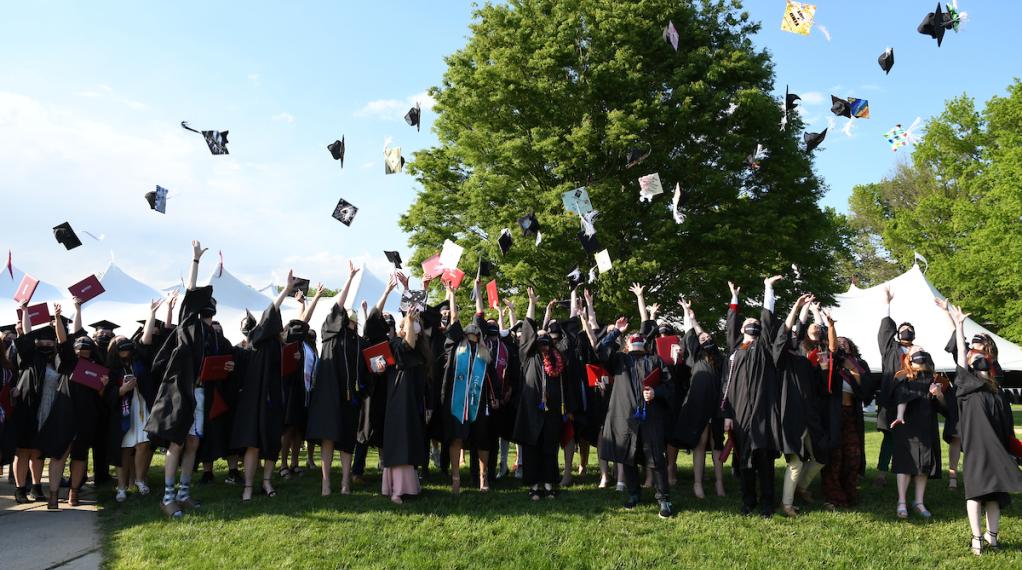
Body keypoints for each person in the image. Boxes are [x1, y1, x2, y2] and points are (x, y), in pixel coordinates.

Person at [145, 241, 236, 518]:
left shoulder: (215, 336)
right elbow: (190, 293)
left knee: (194, 443)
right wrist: (195, 261)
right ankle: (167, 497)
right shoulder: (188, 325)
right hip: (179, 393)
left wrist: (226, 366)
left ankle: (184, 494)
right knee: (177, 443)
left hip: (200, 394)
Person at [583, 289, 674, 518]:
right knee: (628, 456)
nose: (635, 340)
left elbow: (669, 386)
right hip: (625, 416)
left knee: (655, 459)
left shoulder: (655, 361)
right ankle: (634, 494)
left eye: (638, 338)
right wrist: (615, 331)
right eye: (631, 338)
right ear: (626, 344)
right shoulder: (619, 361)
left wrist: (656, 392)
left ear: (645, 343)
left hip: (650, 417)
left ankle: (664, 499)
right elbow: (600, 351)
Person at [946, 302, 1022, 555]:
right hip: (977, 449)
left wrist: (1013, 450)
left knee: (994, 496)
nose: (975, 357)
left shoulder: (997, 392)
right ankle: (977, 538)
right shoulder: (965, 385)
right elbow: (959, 352)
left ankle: (993, 538)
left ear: (988, 362)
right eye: (972, 357)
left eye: (980, 357)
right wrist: (957, 325)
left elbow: (1007, 427)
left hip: (997, 449)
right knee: (975, 494)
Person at [231, 271, 302, 501]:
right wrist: (286, 289)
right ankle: (249, 486)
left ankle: (267, 482)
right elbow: (269, 313)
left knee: (271, 442)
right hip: (255, 400)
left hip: (274, 399)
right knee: (253, 443)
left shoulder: (279, 347)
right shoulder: (257, 341)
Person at [721, 276, 784, 518]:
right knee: (744, 460)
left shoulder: (764, 347)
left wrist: (768, 289)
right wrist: (726, 415)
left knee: (765, 461)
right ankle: (749, 501)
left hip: (763, 413)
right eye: (748, 322)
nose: (753, 324)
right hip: (739, 414)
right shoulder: (735, 352)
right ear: (741, 329)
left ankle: (768, 503)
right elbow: (725, 386)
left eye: (755, 322)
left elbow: (768, 320)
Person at [305, 261, 365, 496]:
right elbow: (338, 305)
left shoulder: (357, 341)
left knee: (347, 439)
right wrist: (349, 279)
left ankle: (345, 483)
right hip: (328, 392)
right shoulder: (329, 333)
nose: (346, 320)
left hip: (349, 394)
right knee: (328, 436)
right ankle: (326, 482)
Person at [13, 304, 81, 510]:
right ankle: (19, 488)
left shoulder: (59, 361)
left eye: (49, 340)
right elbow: (26, 334)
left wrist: (59, 320)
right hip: (30, 409)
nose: (45, 342)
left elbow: (64, 342)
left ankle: (36, 486)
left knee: (39, 452)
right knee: (24, 450)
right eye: (41, 339)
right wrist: (25, 311)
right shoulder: (30, 358)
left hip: (53, 409)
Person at [515, 287, 572, 500]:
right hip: (532, 410)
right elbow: (529, 329)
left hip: (553, 411)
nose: (542, 340)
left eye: (545, 337)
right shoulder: (527, 356)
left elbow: (570, 335)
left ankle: (549, 484)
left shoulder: (558, 358)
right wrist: (532, 304)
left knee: (550, 447)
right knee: (532, 448)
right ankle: (534, 486)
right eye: (538, 338)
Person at [440, 280, 496, 494]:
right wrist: (451, 294)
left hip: (479, 403)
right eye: (469, 330)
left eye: (476, 331)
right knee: (456, 438)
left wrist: (479, 291)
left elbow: (480, 314)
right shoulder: (455, 346)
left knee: (482, 441)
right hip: (456, 402)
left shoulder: (483, 352)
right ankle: (456, 479)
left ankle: (483, 479)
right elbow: (453, 318)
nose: (473, 330)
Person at [107, 299, 164, 502]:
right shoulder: (111, 370)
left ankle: (140, 480)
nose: (127, 350)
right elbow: (106, 395)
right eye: (122, 347)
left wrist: (152, 313)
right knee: (125, 448)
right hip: (123, 411)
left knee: (143, 445)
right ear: (115, 349)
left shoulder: (138, 360)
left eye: (128, 347)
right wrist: (121, 390)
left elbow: (146, 339)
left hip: (141, 407)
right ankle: (121, 487)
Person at [775, 293, 827, 518]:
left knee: (821, 456)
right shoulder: (783, 358)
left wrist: (807, 308)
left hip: (811, 414)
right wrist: (797, 305)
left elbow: (804, 326)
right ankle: (787, 504)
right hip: (792, 415)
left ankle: (802, 488)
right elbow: (791, 327)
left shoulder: (807, 358)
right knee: (795, 462)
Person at [673, 298, 726, 499]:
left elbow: (702, 335)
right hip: (698, 404)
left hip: (717, 405)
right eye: (700, 337)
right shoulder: (694, 356)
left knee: (717, 444)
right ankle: (698, 484)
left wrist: (697, 323)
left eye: (706, 336)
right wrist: (688, 313)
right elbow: (690, 332)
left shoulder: (719, 359)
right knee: (700, 443)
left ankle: (719, 484)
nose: (703, 338)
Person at [818, 330, 873, 509]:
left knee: (853, 456)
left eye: (845, 342)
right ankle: (833, 496)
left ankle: (850, 492)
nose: (842, 344)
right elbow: (823, 387)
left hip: (852, 415)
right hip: (833, 415)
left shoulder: (859, 364)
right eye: (838, 342)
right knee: (835, 456)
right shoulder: (829, 361)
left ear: (851, 347)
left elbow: (866, 392)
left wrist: (854, 370)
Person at [888, 346, 944, 520]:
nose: (920, 353)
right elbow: (901, 398)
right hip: (906, 426)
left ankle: (919, 502)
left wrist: (939, 394)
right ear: (908, 358)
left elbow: (943, 407)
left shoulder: (934, 378)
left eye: (922, 351)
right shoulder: (902, 376)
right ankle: (902, 502)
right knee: (905, 464)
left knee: (924, 465)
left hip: (926, 425)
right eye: (915, 351)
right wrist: (899, 416)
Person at [380, 307, 428, 504]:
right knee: (400, 441)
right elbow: (408, 343)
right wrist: (408, 319)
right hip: (398, 400)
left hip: (412, 400)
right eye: (402, 326)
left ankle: (409, 486)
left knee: (410, 440)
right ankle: (396, 490)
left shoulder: (420, 349)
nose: (405, 327)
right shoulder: (396, 344)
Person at [874, 285, 918, 487]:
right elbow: (885, 330)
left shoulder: (918, 352)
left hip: (911, 399)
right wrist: (886, 305)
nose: (906, 332)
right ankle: (882, 474)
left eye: (909, 330)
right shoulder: (889, 349)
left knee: (911, 439)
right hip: (891, 399)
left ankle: (911, 471)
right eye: (902, 330)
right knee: (889, 439)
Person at [279, 284, 325, 479]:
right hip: (291, 389)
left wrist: (304, 302)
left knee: (299, 428)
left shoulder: (308, 347)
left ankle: (296, 462)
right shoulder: (288, 339)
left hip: (306, 391)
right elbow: (302, 320)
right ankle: (283, 465)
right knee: (288, 428)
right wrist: (312, 299)